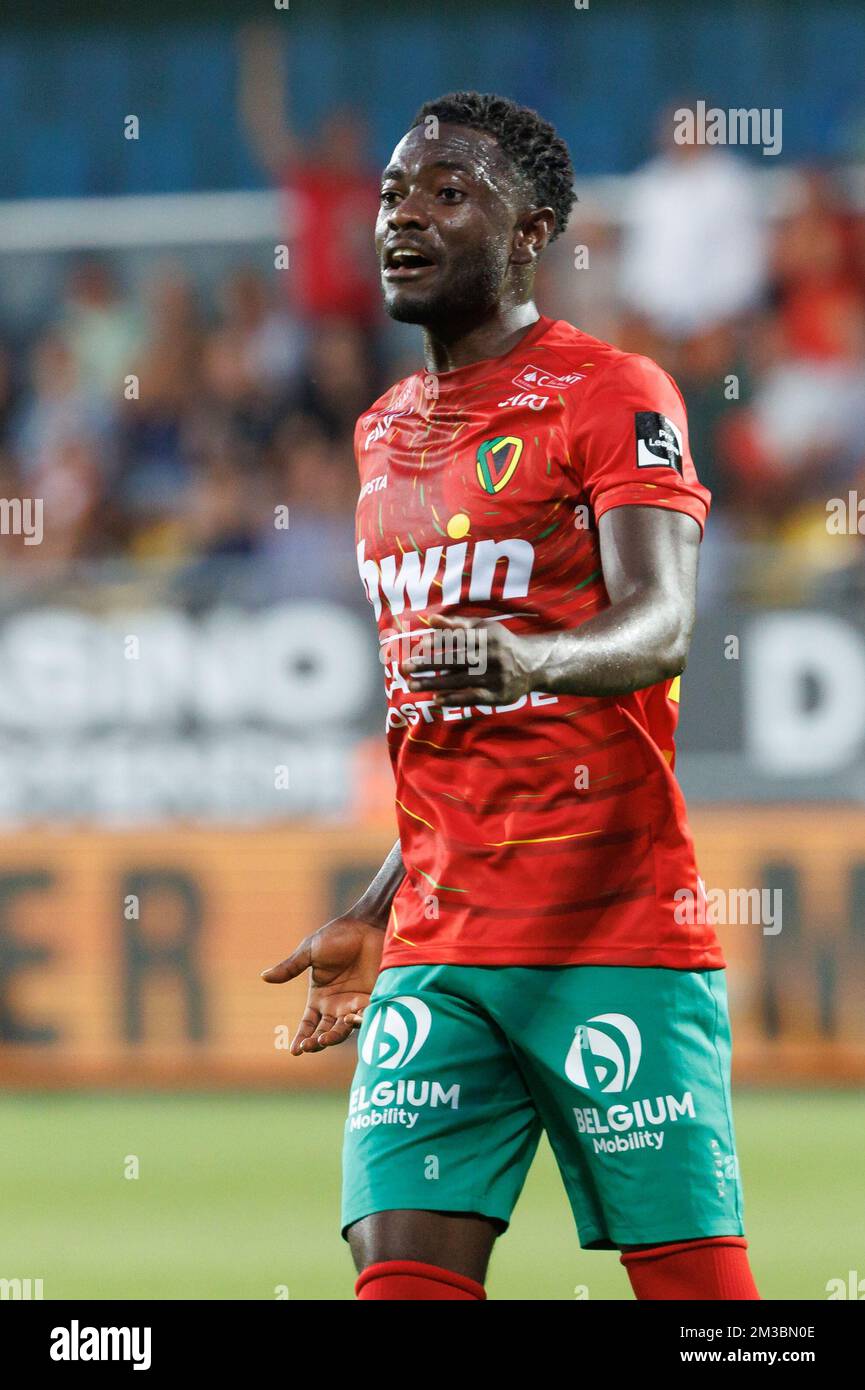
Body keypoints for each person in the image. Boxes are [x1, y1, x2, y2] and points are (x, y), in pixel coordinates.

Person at [262, 91, 760, 1303]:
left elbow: (660, 623)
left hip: (610, 929)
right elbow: (441, 723)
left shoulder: (613, 392)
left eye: (447, 192)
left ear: (530, 232)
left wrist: (529, 657)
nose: (403, 216)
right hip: (439, 948)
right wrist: (378, 904)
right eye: (391, 194)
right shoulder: (382, 433)